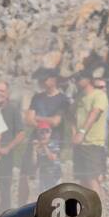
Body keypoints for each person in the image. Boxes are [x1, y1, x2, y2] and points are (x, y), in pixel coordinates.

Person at [21, 70, 70, 202]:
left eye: (46, 78)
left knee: (53, 176)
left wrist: (37, 117)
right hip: (35, 140)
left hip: (54, 142)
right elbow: (28, 119)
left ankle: (57, 212)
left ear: (54, 80)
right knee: (27, 174)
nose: (42, 81)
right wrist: (44, 121)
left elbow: (56, 121)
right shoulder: (37, 97)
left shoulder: (62, 100)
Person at [71, 73, 108, 195]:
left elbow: (94, 113)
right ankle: (87, 210)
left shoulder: (99, 95)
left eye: (79, 78)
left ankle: (99, 212)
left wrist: (81, 132)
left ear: (88, 79)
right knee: (83, 180)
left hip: (93, 143)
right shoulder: (79, 97)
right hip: (80, 145)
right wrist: (73, 133)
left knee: (93, 179)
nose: (76, 81)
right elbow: (72, 116)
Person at [0, 80, 25, 208]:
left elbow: (21, 133)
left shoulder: (13, 109)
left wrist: (7, 148)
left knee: (4, 188)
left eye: (2, 91)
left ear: (7, 93)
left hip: (6, 155)